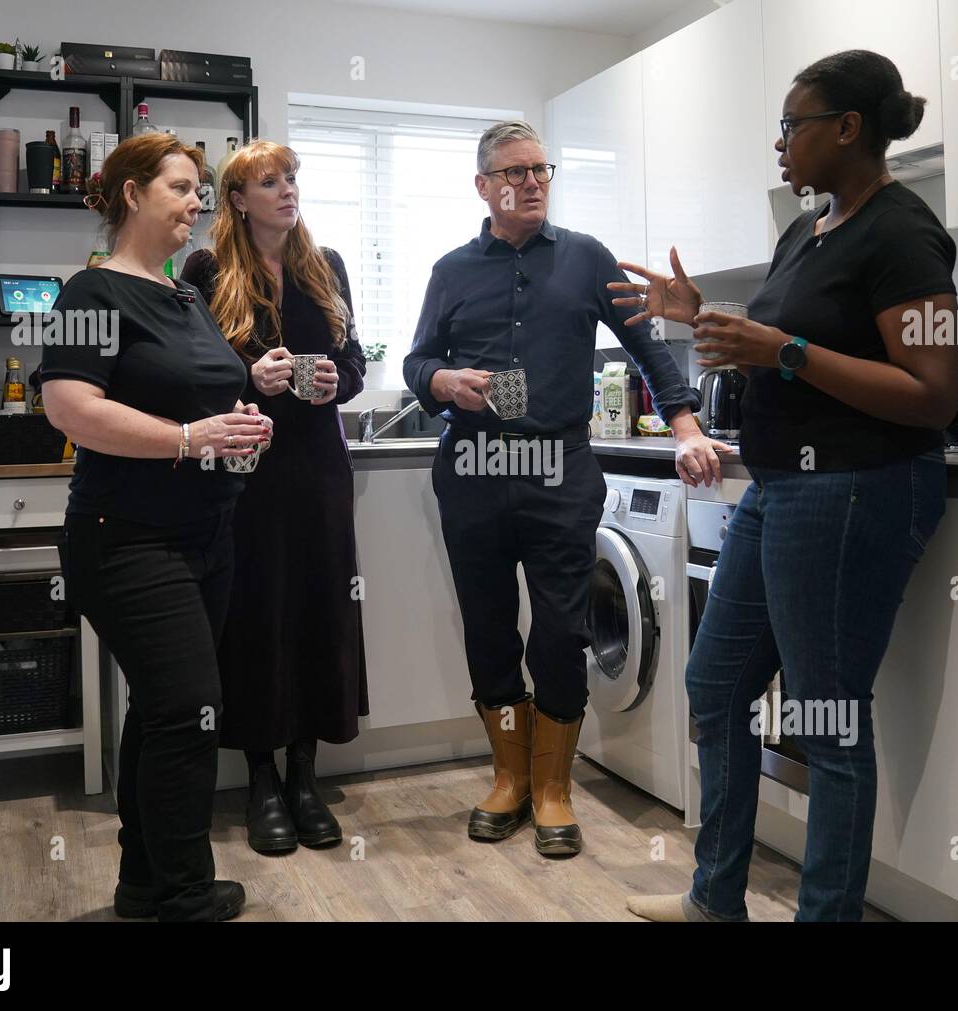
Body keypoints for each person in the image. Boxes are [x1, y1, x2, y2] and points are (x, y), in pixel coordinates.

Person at [614, 50, 958, 921]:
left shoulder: (903, 232)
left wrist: (788, 353)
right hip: (781, 490)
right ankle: (714, 899)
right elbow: (778, 338)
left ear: (846, 129)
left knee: (827, 718)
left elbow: (936, 393)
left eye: (792, 124)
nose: (780, 144)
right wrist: (700, 314)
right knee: (716, 685)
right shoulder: (807, 231)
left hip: (857, 489)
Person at [403, 120, 719, 857]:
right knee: (487, 629)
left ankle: (552, 789)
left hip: (559, 472)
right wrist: (442, 381)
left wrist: (685, 428)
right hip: (474, 472)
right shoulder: (451, 269)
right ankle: (508, 779)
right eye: (516, 172)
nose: (533, 182)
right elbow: (420, 360)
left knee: (560, 631)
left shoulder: (585, 258)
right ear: (483, 186)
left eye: (543, 170)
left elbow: (647, 346)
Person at [41, 132, 273, 921]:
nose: (197, 201)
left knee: (161, 706)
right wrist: (187, 439)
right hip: (126, 535)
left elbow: (201, 395)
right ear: (132, 193)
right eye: (181, 186)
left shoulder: (184, 295)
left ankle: (144, 882)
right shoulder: (90, 293)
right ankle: (180, 894)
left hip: (207, 533)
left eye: (201, 188)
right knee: (187, 704)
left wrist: (239, 421)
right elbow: (69, 406)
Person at [181, 139, 368, 854]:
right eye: (270, 181)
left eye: (292, 178)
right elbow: (193, 368)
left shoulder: (326, 267)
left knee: (321, 609)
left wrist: (337, 384)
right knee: (257, 617)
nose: (288, 190)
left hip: (319, 467)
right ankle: (260, 778)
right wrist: (245, 375)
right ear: (237, 198)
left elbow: (352, 362)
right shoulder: (205, 270)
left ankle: (305, 773)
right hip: (245, 469)